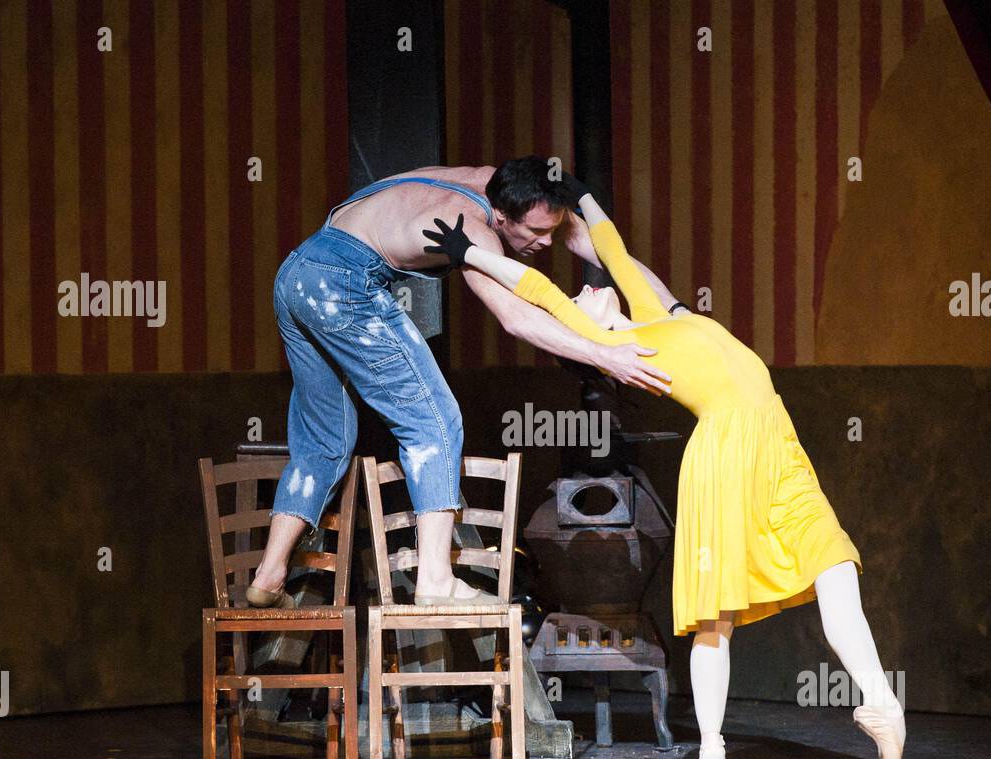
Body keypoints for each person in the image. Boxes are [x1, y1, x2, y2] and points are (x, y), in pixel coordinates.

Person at [420, 174, 907, 759]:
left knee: (834, 565)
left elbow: (614, 254)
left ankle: (882, 706)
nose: (594, 289)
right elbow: (541, 292)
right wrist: (472, 255)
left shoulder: (655, 313)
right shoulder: (609, 338)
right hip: (725, 448)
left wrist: (581, 195)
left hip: (778, 439)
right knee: (716, 615)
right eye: (587, 298)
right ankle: (710, 748)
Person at [246, 157, 674, 609]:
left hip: (298, 272)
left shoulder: (502, 186)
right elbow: (515, 317)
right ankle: (436, 581)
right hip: (345, 287)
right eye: (534, 234)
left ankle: (269, 575)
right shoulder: (471, 230)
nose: (546, 243)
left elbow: (610, 256)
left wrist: (674, 310)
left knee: (326, 437)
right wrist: (605, 355)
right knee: (434, 421)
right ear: (504, 216)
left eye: (553, 230)